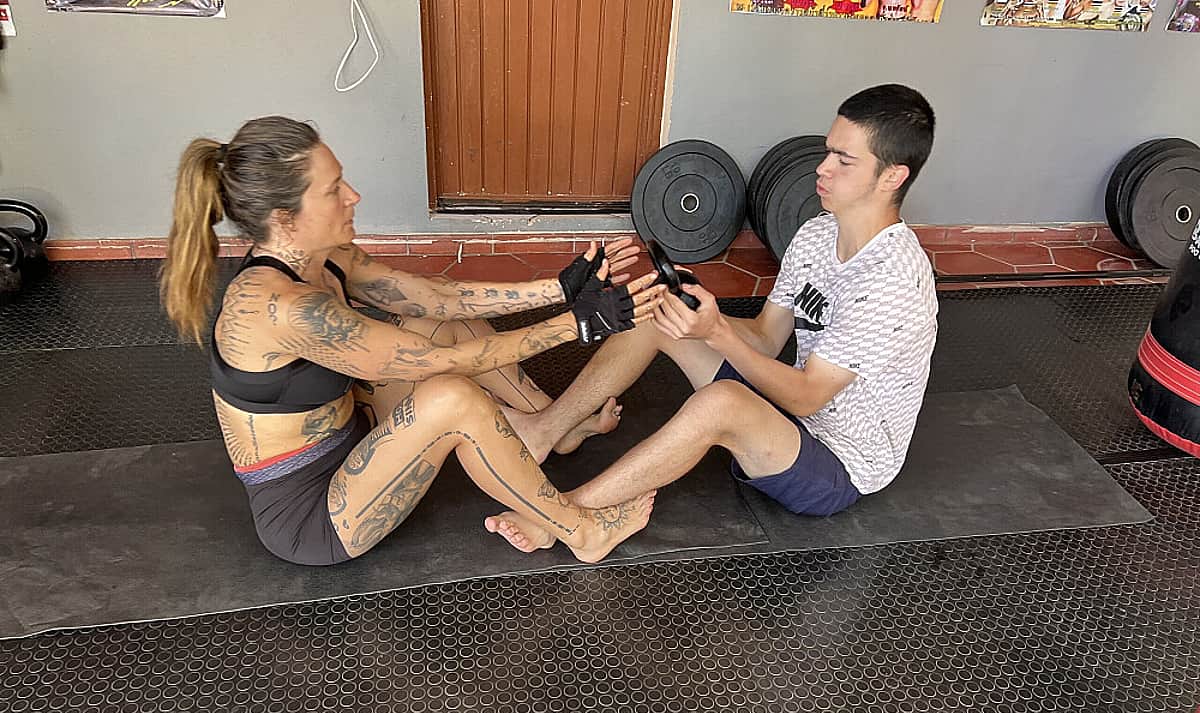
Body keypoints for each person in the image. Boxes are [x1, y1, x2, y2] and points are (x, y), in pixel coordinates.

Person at [158, 115, 664, 566]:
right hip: (314, 515)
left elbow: (432, 298)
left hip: (351, 430)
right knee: (451, 394)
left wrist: (560, 288)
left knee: (438, 326)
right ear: (286, 218)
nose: (352, 195)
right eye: (334, 189)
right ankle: (582, 532)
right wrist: (575, 325)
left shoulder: (324, 255)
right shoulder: (281, 307)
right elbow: (441, 363)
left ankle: (551, 427)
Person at [492, 84, 938, 552]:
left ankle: (564, 518)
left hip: (837, 464)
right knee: (655, 315)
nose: (822, 168)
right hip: (788, 410)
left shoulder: (893, 280)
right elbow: (766, 337)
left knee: (722, 402)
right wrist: (698, 309)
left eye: (844, 161)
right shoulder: (815, 235)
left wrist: (718, 334)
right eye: (828, 151)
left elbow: (807, 397)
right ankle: (545, 431)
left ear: (892, 177)